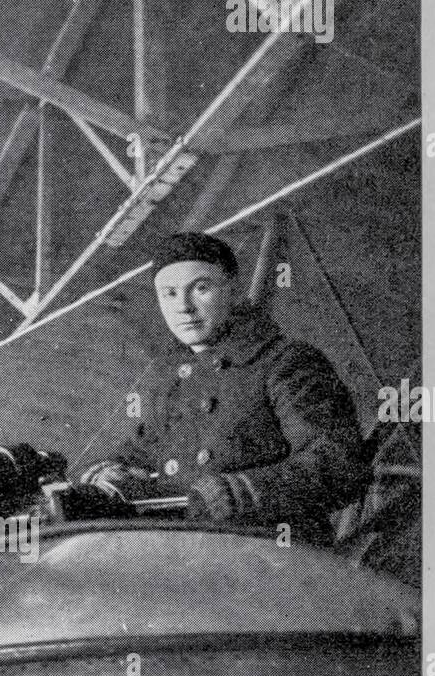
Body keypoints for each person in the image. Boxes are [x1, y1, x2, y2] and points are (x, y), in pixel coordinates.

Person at [80, 231, 369, 541]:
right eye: (169, 294)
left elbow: (338, 463)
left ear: (232, 289)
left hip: (275, 557)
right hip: (190, 551)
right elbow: (146, 447)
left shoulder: (286, 362)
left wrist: (240, 492)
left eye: (200, 288)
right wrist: (111, 470)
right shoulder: (172, 377)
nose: (184, 307)